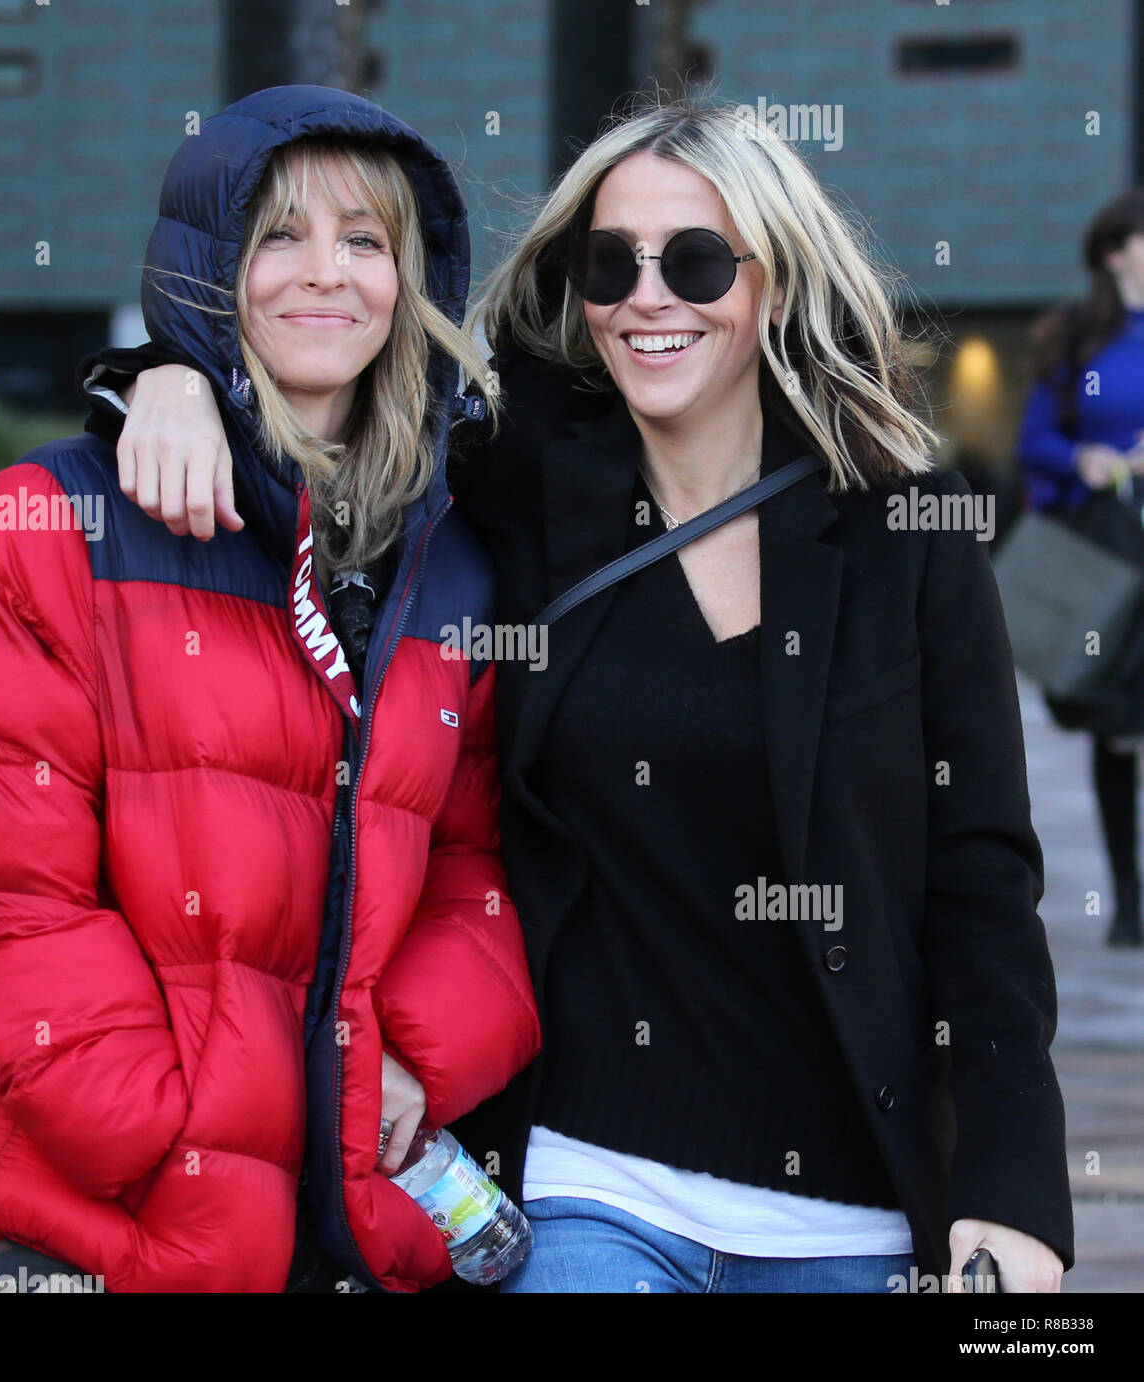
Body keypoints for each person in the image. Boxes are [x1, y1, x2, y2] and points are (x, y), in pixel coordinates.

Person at [85, 96, 1073, 1294]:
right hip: (587, 1179)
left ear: (772, 281)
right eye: (611, 263)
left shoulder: (904, 537)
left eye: (697, 259)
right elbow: (323, 411)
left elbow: (980, 885)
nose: (648, 296)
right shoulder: (514, 484)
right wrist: (166, 375)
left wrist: (1014, 1197)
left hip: (850, 1211)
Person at [0, 84, 540, 1294]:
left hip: (341, 1213)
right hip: (88, 1220)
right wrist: (170, 1123)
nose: (325, 274)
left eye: (366, 241)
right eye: (278, 235)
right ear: (209, 267)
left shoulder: (452, 552)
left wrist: (406, 1056)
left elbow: (477, 861)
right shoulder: (60, 518)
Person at [1016, 189, 1144, 949]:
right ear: (1114, 252)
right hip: (1111, 553)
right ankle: (1127, 899)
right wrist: (1088, 458)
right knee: (1117, 726)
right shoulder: (1078, 338)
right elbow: (1034, 441)